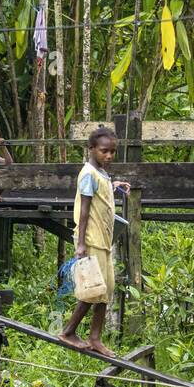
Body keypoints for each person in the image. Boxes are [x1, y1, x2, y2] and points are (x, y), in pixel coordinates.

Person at [59, 126, 130, 358]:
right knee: (93, 291)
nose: (108, 156)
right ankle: (69, 331)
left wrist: (114, 185)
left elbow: (100, 191)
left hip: (104, 240)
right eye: (103, 151)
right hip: (91, 239)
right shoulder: (88, 173)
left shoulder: (100, 174)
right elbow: (84, 209)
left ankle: (94, 337)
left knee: (106, 289)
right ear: (91, 149)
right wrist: (80, 244)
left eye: (112, 152)